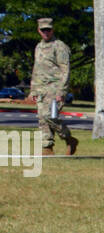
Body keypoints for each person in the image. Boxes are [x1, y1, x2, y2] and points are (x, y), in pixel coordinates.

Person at [29, 18, 78, 155]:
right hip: (41, 89)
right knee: (42, 118)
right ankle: (47, 147)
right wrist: (33, 89)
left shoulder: (59, 46)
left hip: (55, 87)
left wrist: (61, 91)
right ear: (39, 30)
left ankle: (68, 138)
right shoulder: (38, 47)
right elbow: (36, 69)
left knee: (50, 116)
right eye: (43, 30)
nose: (46, 32)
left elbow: (65, 70)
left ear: (52, 30)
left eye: (48, 30)